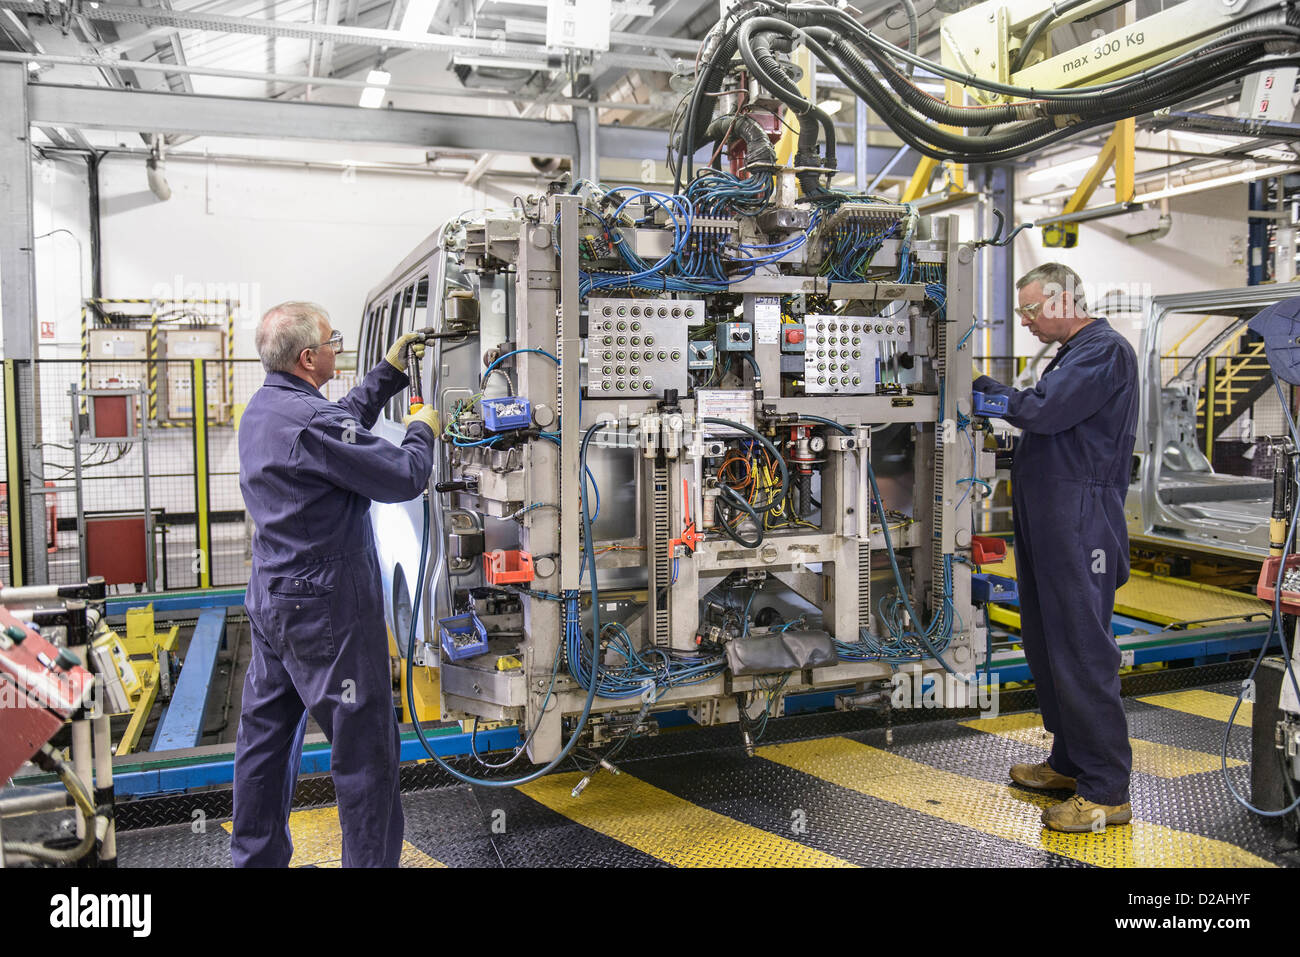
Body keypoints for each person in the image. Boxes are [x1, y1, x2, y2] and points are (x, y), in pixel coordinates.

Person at [231, 301, 439, 867]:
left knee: (265, 745)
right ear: (307, 358)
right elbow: (403, 476)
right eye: (331, 340)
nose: (337, 347)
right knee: (365, 751)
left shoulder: (265, 409)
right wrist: (422, 430)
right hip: (327, 614)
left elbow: (337, 423)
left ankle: (254, 860)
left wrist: (387, 375)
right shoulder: (311, 423)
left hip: (274, 601)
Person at [973, 263, 1138, 833]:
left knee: (1082, 649)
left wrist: (982, 392)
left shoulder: (1103, 351)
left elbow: (1041, 411)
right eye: (1020, 311)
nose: (1025, 320)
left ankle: (1106, 791)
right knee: (1047, 642)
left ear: (1065, 298)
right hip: (1049, 517)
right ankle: (1070, 763)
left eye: (1031, 309)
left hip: (1080, 520)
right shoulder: (1072, 351)